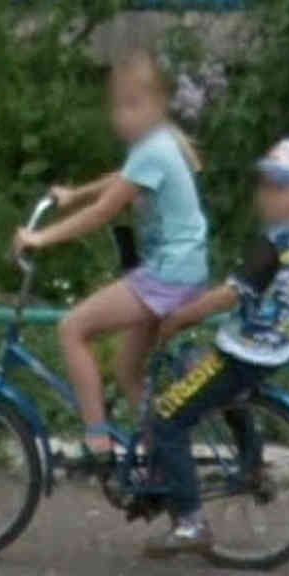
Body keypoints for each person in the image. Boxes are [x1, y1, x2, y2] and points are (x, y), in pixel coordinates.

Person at [12, 50, 210, 470]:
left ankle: (97, 442)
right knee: (126, 368)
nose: (122, 116)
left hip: (168, 275)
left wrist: (41, 238)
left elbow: (104, 212)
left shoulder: (152, 150)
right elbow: (117, 183)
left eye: (133, 105)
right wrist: (74, 193)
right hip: (184, 271)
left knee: (71, 328)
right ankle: (164, 457)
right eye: (117, 106)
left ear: (158, 105)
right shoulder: (160, 143)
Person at [143, 137, 289, 557]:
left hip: (244, 353)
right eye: (267, 183)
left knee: (166, 418)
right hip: (268, 350)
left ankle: (190, 521)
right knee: (192, 366)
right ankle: (253, 464)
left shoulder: (275, 243)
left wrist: (178, 318)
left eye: (283, 185)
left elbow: (231, 294)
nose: (270, 193)